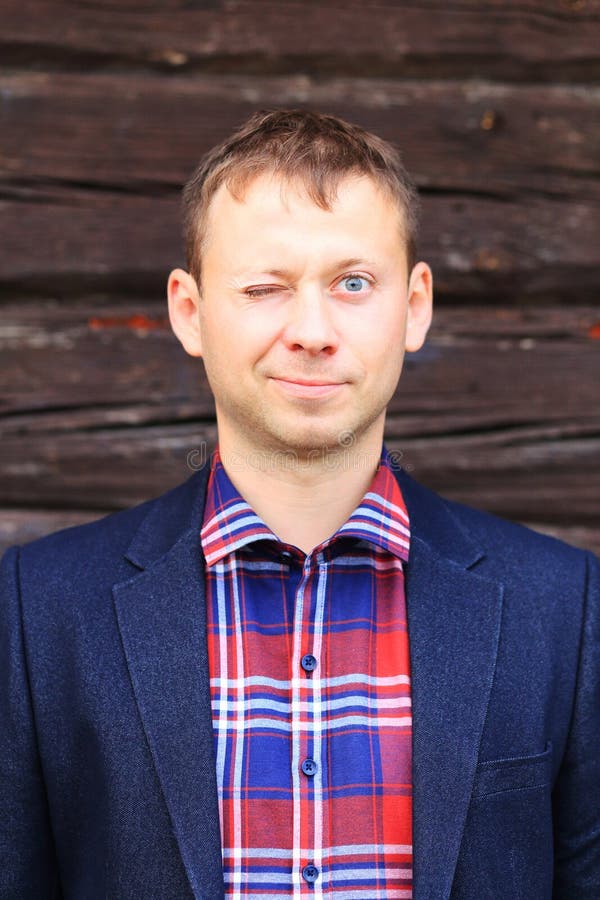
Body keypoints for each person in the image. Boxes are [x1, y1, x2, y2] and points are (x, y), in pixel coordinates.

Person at [0, 109, 598, 900]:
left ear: (415, 305)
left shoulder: (562, 607)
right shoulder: (38, 612)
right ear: (190, 311)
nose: (312, 330)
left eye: (353, 283)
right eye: (264, 287)